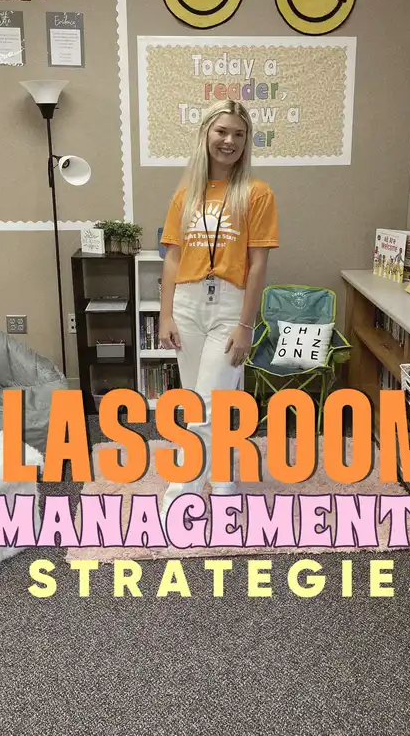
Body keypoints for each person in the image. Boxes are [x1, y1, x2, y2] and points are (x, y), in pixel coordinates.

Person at [157, 99, 279, 520]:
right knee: (204, 402)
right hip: (187, 303)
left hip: (230, 305)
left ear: (247, 142)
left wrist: (246, 324)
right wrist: (166, 314)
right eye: (222, 131)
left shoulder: (257, 194)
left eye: (239, 134)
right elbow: (172, 258)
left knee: (208, 405)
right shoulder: (185, 195)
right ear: (206, 135)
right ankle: (223, 479)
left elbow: (258, 265)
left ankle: (182, 492)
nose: (230, 141)